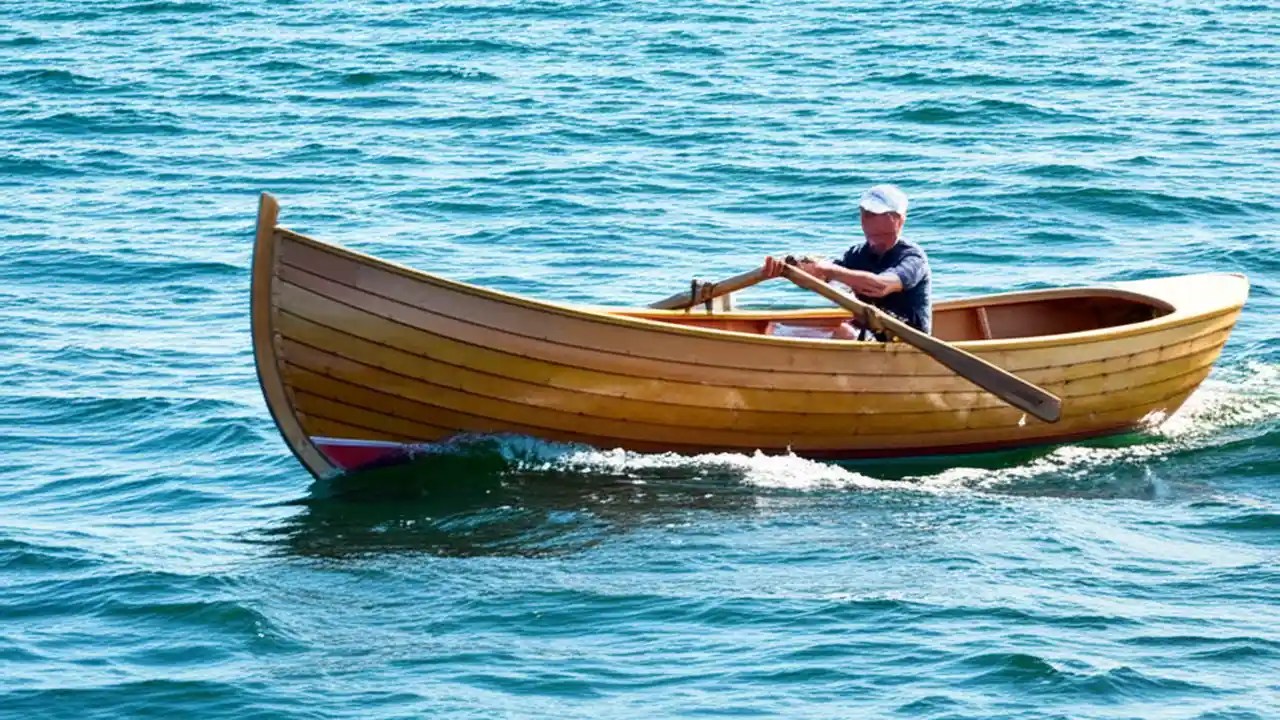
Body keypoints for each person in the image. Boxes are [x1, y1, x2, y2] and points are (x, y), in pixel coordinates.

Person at [763, 183, 931, 339]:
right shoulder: (857, 254)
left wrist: (828, 270)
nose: (865, 218)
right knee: (775, 325)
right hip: (868, 332)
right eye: (863, 212)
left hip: (906, 340)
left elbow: (879, 287)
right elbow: (824, 279)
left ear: (897, 219)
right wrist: (790, 271)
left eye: (873, 214)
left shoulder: (912, 259)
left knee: (840, 330)